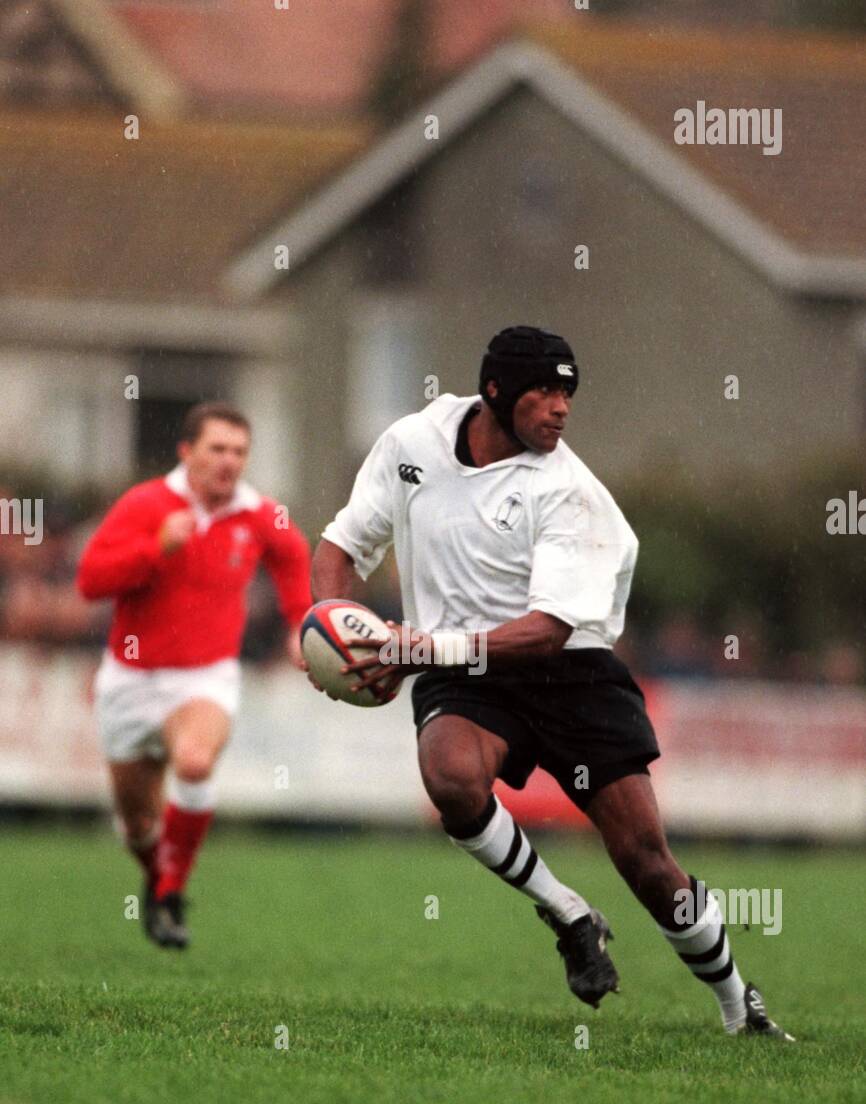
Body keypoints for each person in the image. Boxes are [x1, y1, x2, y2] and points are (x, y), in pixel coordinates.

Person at [308, 326, 793, 1039]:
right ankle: (567, 911)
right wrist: (329, 629)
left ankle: (736, 1004)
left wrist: (417, 648)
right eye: (545, 390)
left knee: (646, 861)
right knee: (450, 777)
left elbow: (547, 631)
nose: (561, 408)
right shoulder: (412, 444)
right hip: (464, 671)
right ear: (496, 391)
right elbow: (341, 546)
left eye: (569, 392)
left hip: (567, 672)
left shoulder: (569, 493)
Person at [78, 402, 311, 947]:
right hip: (130, 680)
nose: (229, 461)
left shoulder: (259, 514)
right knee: (138, 826)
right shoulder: (146, 503)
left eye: (239, 451)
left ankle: (171, 893)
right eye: (217, 449)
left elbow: (293, 554)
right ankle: (158, 877)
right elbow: (91, 580)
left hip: (205, 676)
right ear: (187, 452)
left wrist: (299, 621)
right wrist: (154, 547)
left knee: (194, 761)